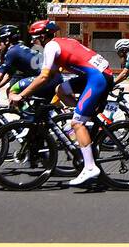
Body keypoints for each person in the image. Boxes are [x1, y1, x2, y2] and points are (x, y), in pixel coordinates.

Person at [9, 20, 114, 187]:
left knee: (77, 122)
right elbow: (51, 75)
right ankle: (86, 117)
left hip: (97, 78)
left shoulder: (50, 47)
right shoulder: (63, 42)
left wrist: (21, 95)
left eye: (35, 39)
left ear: (42, 37)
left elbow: (43, 77)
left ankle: (90, 167)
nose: (34, 43)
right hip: (99, 74)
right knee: (60, 90)